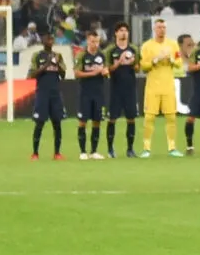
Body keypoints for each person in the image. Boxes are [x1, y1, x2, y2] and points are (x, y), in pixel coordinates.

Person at [139, 15, 186, 157]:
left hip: (168, 86)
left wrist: (171, 59)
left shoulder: (172, 45)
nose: (162, 30)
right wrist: (155, 60)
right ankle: (146, 148)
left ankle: (172, 148)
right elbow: (143, 66)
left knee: (171, 117)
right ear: (154, 29)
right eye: (159, 27)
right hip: (153, 86)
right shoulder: (147, 46)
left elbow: (179, 62)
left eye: (164, 27)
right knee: (149, 118)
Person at [28, 32, 68, 160]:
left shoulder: (58, 56)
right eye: (47, 38)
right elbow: (31, 75)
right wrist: (46, 65)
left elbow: (63, 74)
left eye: (52, 38)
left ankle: (57, 153)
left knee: (57, 123)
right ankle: (35, 153)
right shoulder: (37, 56)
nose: (50, 40)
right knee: (39, 123)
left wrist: (56, 64)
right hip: (42, 93)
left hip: (55, 94)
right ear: (43, 40)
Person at [106, 22, 142, 158]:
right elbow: (107, 69)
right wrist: (119, 62)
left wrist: (133, 63)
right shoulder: (110, 50)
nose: (123, 33)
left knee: (131, 119)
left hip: (130, 88)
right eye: (121, 30)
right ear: (116, 33)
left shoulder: (133, 49)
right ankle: (110, 149)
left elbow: (138, 67)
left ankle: (130, 149)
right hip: (115, 89)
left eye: (126, 31)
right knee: (112, 119)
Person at [73, 30, 110, 158]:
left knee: (97, 121)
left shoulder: (102, 55)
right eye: (93, 41)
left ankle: (94, 151)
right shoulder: (81, 55)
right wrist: (93, 73)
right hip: (85, 93)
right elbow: (77, 73)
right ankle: (83, 152)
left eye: (97, 42)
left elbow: (106, 70)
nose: (95, 44)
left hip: (99, 92)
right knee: (83, 121)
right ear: (88, 41)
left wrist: (105, 72)